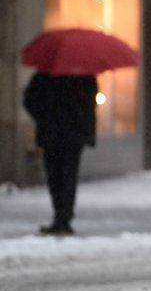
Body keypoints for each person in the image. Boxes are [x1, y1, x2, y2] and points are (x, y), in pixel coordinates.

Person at [22, 72, 98, 236]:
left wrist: (44, 117)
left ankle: (61, 216)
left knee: (56, 175)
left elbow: (29, 100)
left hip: (54, 133)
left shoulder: (45, 75)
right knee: (67, 175)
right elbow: (91, 103)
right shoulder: (84, 76)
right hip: (70, 134)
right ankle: (64, 216)